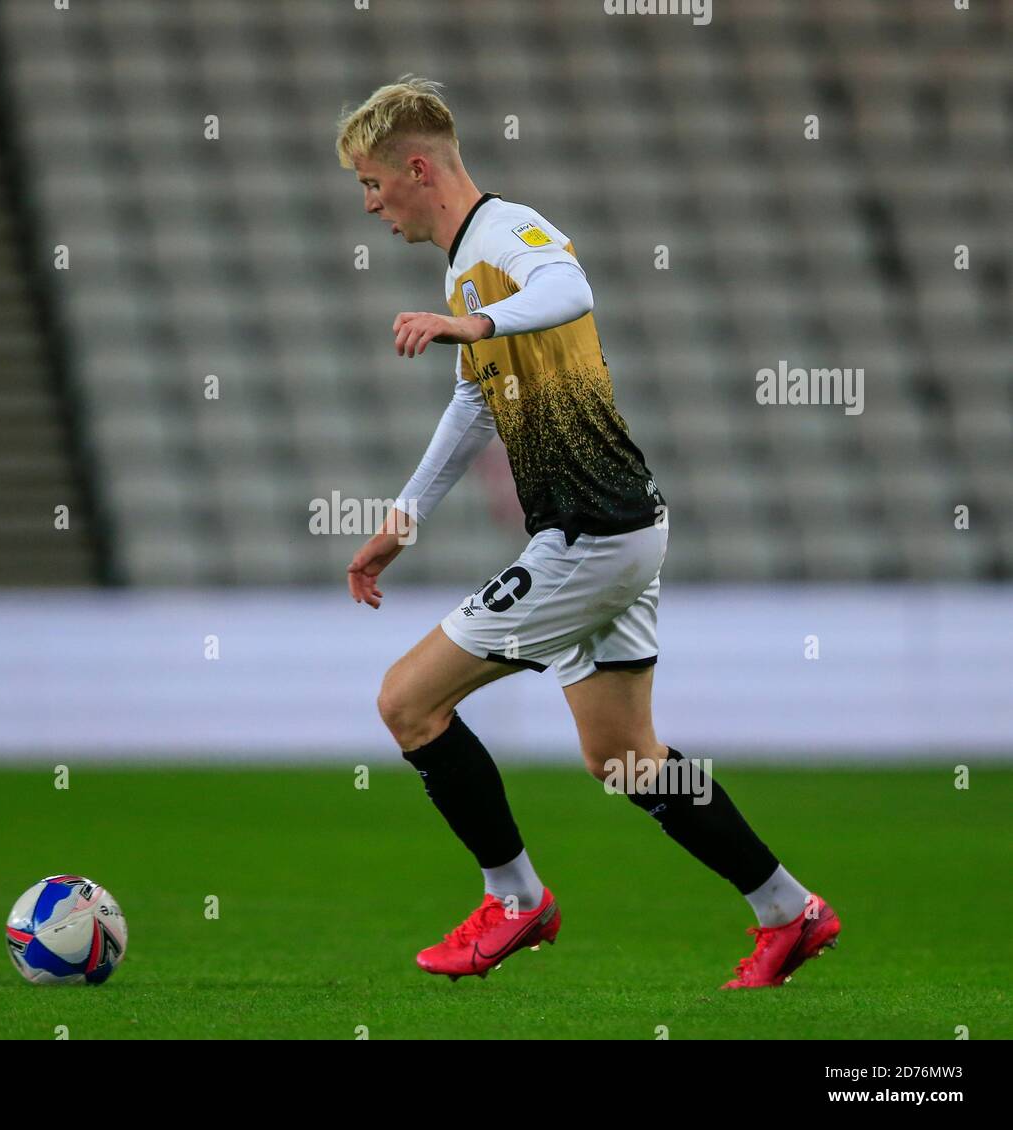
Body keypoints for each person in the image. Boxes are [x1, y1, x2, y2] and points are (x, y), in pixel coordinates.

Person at [335, 76, 840, 988]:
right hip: (619, 528)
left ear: (416, 168)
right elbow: (472, 403)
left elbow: (569, 285)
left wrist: (469, 320)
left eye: (373, 183)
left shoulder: (507, 236)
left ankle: (517, 902)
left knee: (408, 702)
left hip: (591, 535)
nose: (370, 205)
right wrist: (399, 524)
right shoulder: (464, 267)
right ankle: (787, 910)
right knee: (624, 758)